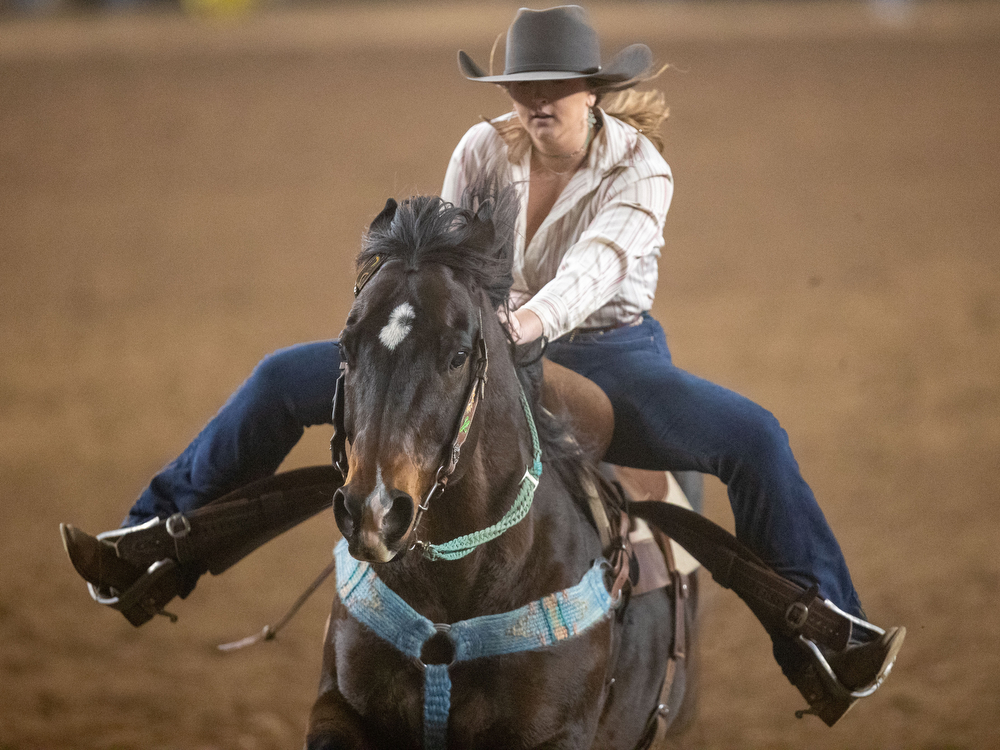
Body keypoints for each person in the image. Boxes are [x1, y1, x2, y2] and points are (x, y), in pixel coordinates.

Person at [68, 4, 902, 726]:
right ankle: (158, 540)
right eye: (521, 85)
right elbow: (443, 260)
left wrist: (523, 322)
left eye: (552, 85)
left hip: (611, 358)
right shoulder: (480, 150)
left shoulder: (641, 169)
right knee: (281, 381)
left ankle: (824, 631)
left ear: (592, 89)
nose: (535, 100)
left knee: (752, 437)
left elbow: (598, 270)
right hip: (476, 349)